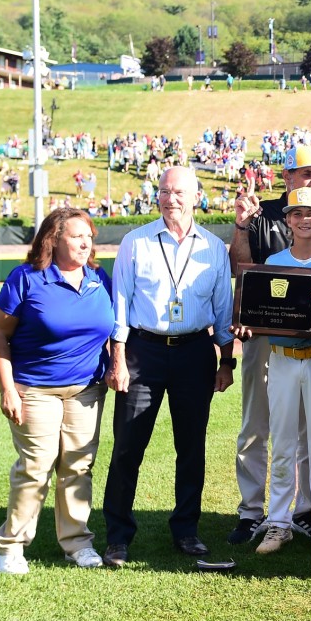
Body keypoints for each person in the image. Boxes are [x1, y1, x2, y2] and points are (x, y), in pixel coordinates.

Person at [101, 166, 235, 566]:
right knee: (128, 446)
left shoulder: (213, 247)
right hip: (144, 351)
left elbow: (223, 312)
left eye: (178, 192)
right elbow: (120, 306)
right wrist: (118, 361)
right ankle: (118, 536)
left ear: (196, 196)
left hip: (195, 352)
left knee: (191, 447)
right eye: (163, 191)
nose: (170, 198)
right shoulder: (135, 241)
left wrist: (226, 361)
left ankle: (187, 531)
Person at [0, 208, 114, 574]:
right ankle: (11, 546)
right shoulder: (26, 279)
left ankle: (76, 543)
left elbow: (110, 331)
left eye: (88, 236)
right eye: (76, 235)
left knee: (78, 466)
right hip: (34, 390)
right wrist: (7, 389)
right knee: (35, 466)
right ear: (53, 239)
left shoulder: (98, 277)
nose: (85, 242)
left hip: (86, 391)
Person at [227, 146, 311, 545]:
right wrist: (246, 323)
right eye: (298, 213)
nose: (305, 219)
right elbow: (246, 282)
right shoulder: (270, 247)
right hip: (277, 353)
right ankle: (271, 518)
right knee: (276, 436)